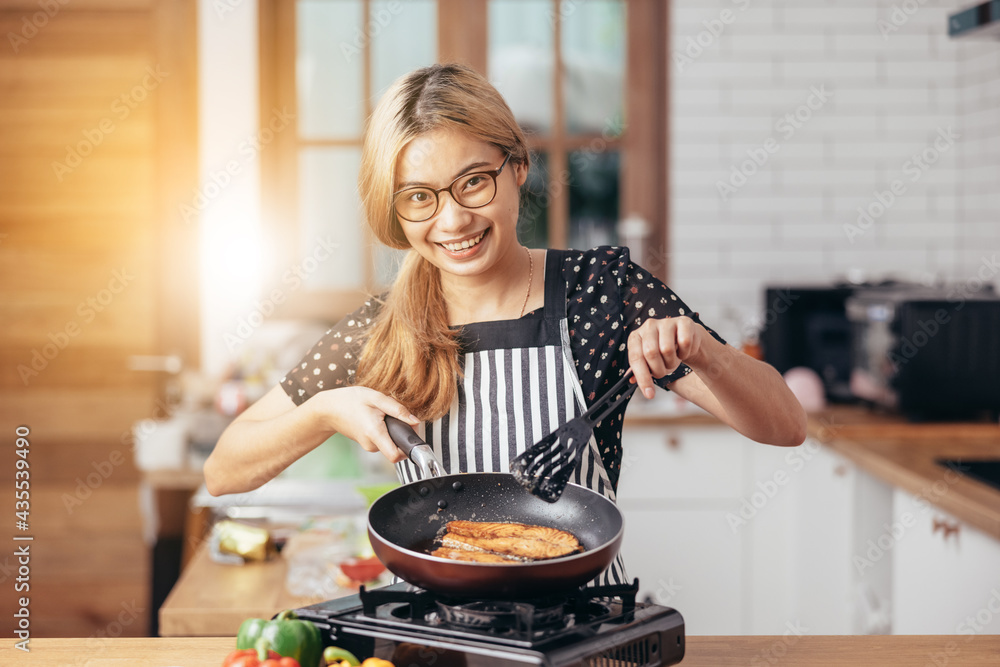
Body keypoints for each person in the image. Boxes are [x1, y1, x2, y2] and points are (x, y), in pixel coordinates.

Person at [204, 63, 806, 584]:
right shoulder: (383, 328)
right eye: (419, 197)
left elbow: (786, 425)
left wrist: (705, 352)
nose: (452, 220)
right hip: (438, 630)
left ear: (517, 166)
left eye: (473, 182)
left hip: (581, 621)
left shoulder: (601, 293)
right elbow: (225, 469)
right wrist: (321, 412)